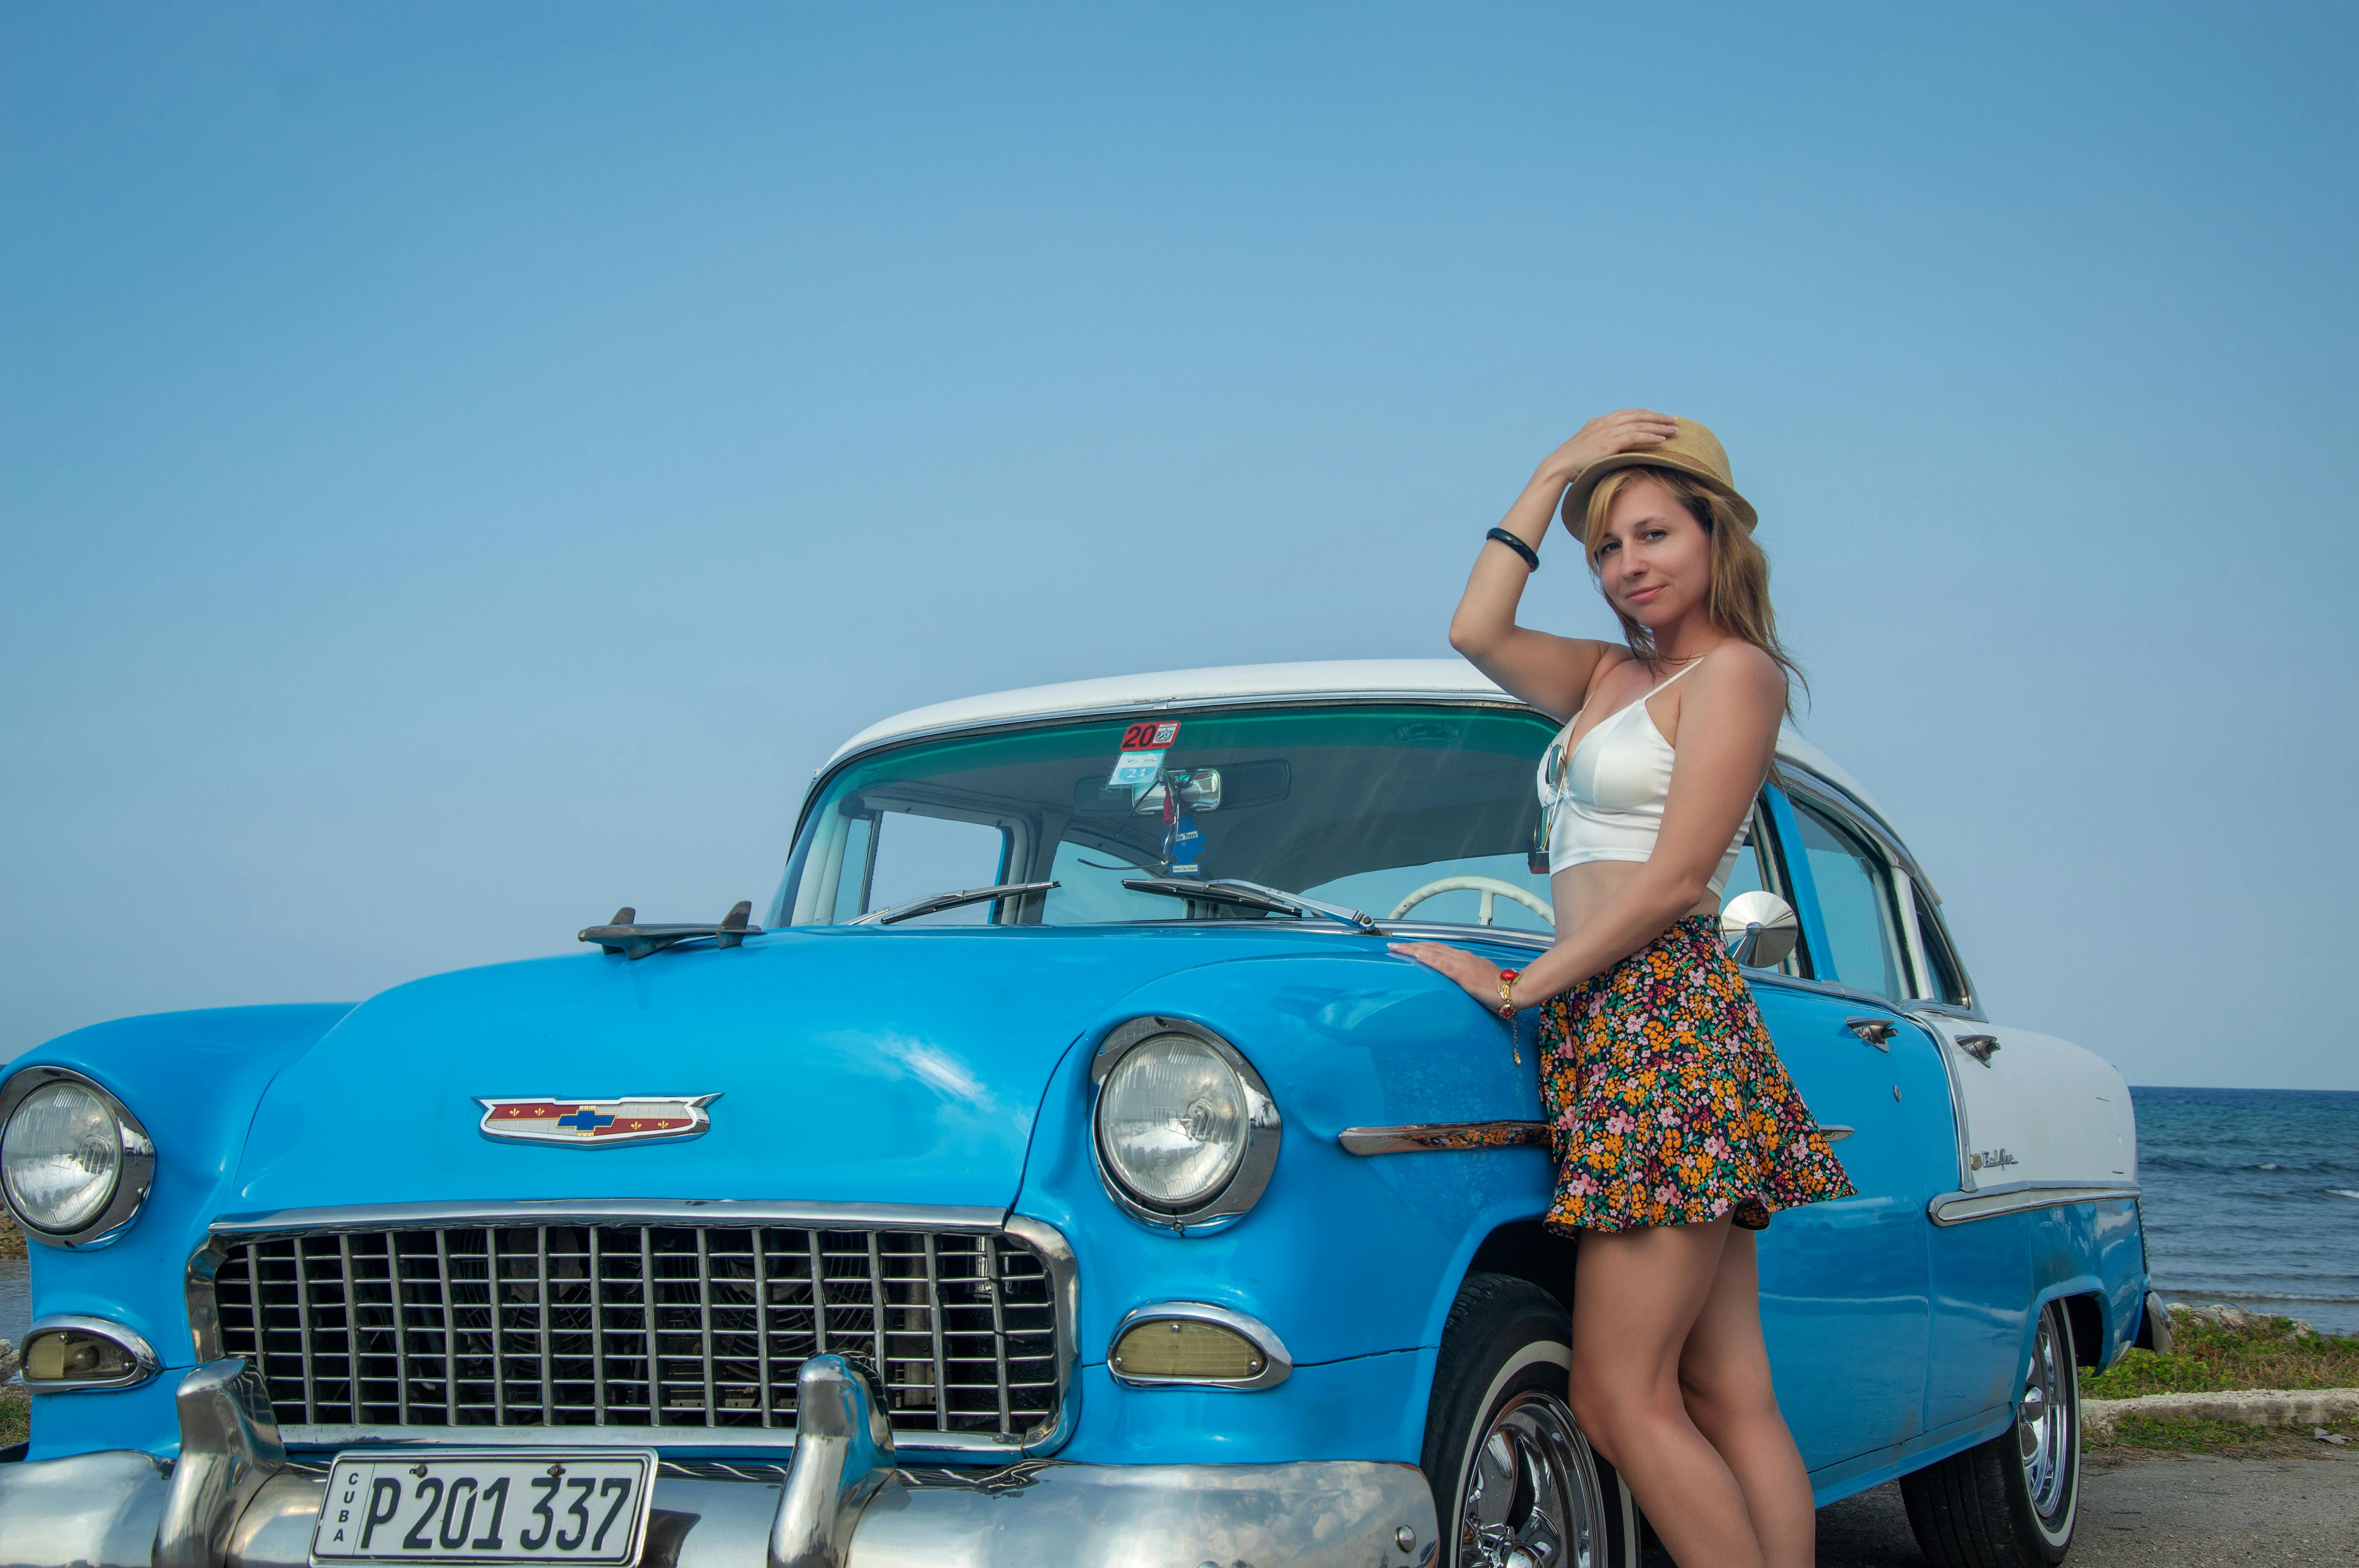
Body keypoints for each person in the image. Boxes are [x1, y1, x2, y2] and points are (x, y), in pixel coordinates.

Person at [1390, 410, 1854, 1568]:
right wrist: (1554, 469)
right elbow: (1475, 628)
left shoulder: (1738, 673)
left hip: (1662, 1024)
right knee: (1726, 1388)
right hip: (1624, 1026)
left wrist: (1517, 987)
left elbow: (1678, 881)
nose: (1627, 565)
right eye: (1605, 547)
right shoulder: (1610, 673)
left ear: (1715, 536)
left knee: (1617, 1398)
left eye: (1654, 534)